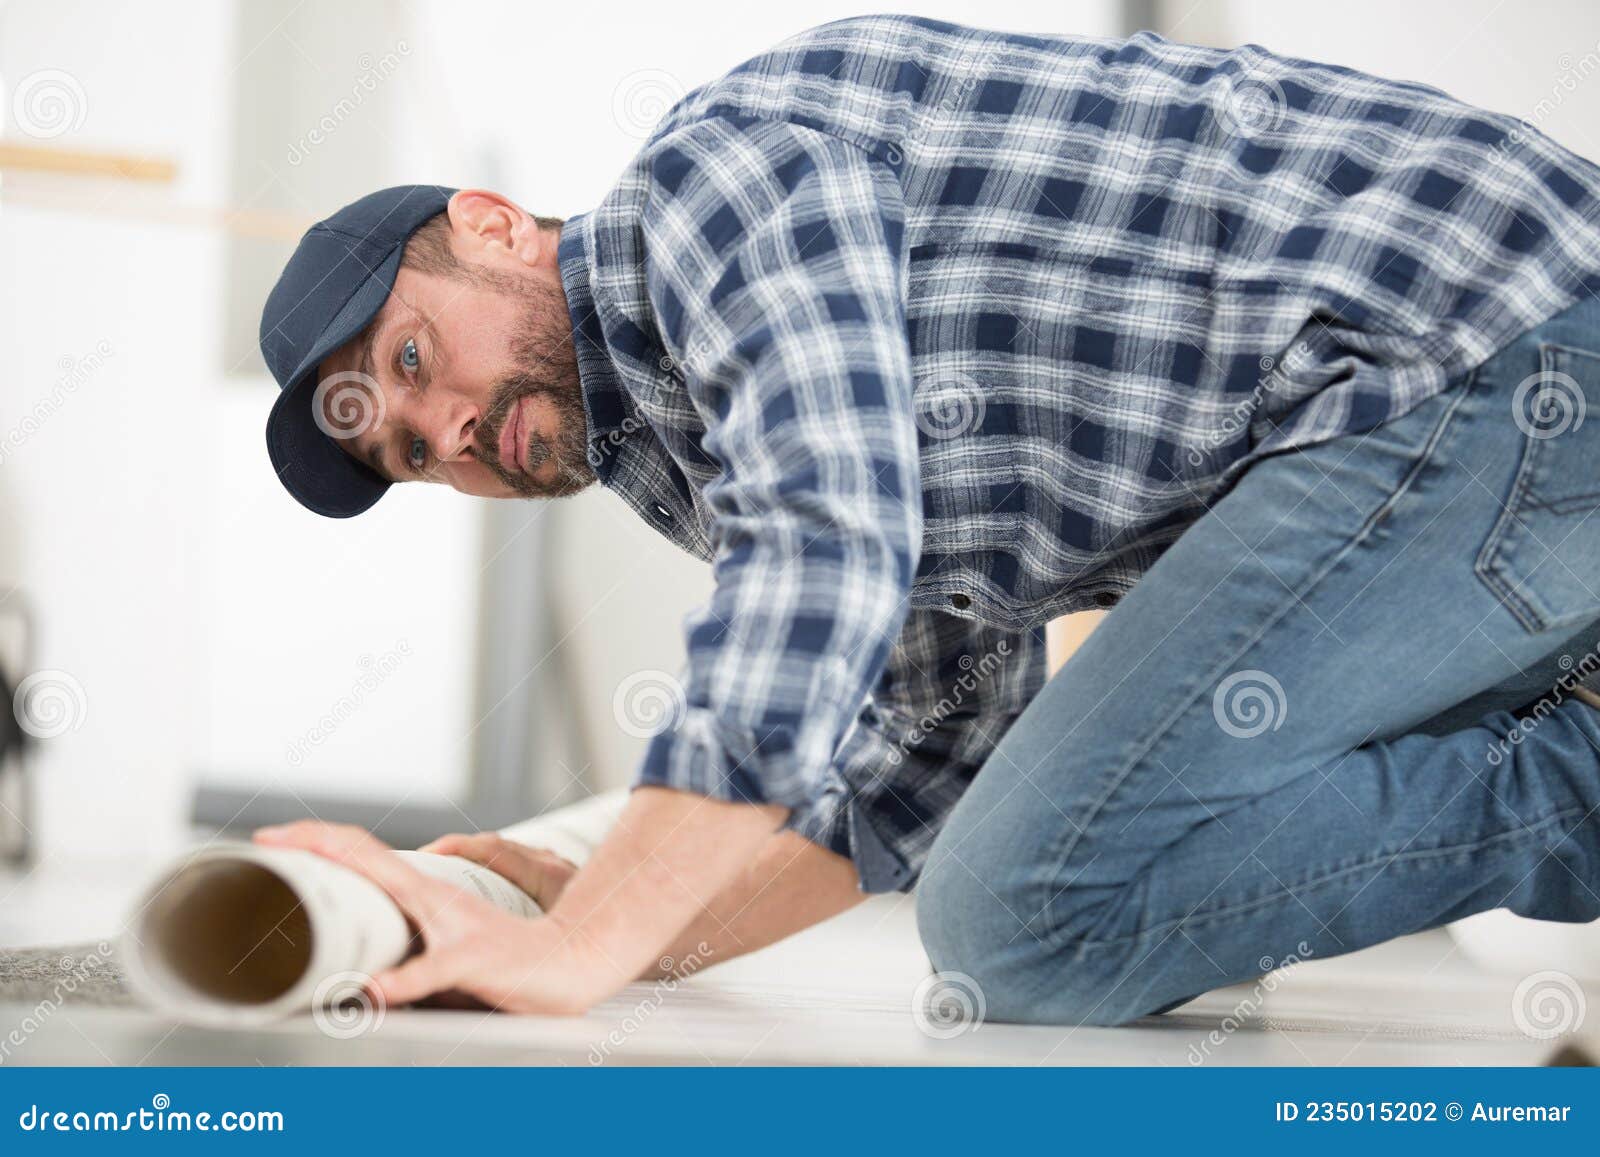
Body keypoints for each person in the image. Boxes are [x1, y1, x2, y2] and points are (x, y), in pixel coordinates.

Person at [253, 16, 1600, 1024]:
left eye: (416, 363)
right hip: (1463, 421)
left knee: (1018, 916)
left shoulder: (702, 195)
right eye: (415, 454)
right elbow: (909, 781)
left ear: (490, 226)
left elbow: (828, 539)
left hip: (1493, 348)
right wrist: (572, 906)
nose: (450, 435)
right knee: (1018, 896)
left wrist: (578, 944)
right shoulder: (692, 455)